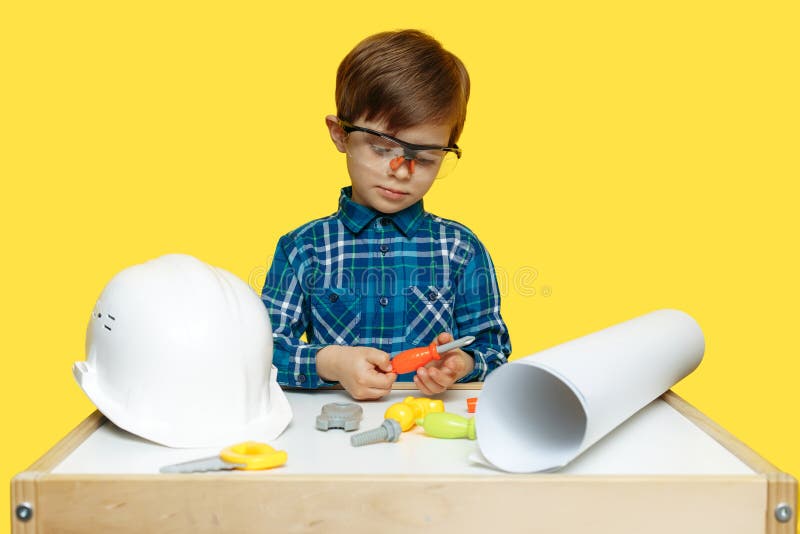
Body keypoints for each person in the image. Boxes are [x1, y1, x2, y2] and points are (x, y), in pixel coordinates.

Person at [261, 29, 511, 400]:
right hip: (336, 427)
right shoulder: (303, 248)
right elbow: (262, 352)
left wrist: (463, 363)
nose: (402, 171)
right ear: (340, 134)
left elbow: (494, 350)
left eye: (424, 158)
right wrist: (331, 362)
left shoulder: (460, 248)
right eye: (381, 148)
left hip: (430, 426)